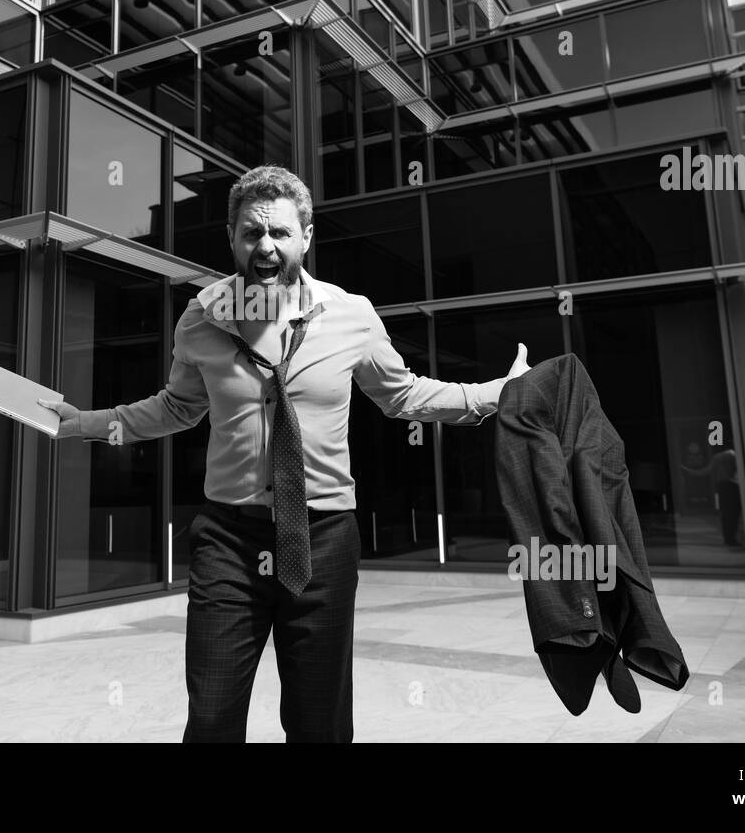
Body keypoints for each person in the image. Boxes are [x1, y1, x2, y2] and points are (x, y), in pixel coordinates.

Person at [41, 164, 529, 742]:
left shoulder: (351, 315)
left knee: (319, 722)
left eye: (279, 232)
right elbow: (176, 407)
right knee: (212, 717)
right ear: (232, 238)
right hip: (228, 541)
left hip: (324, 539)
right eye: (252, 233)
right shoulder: (201, 318)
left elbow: (402, 394)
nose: (266, 246)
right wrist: (84, 424)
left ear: (306, 237)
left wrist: (497, 394)